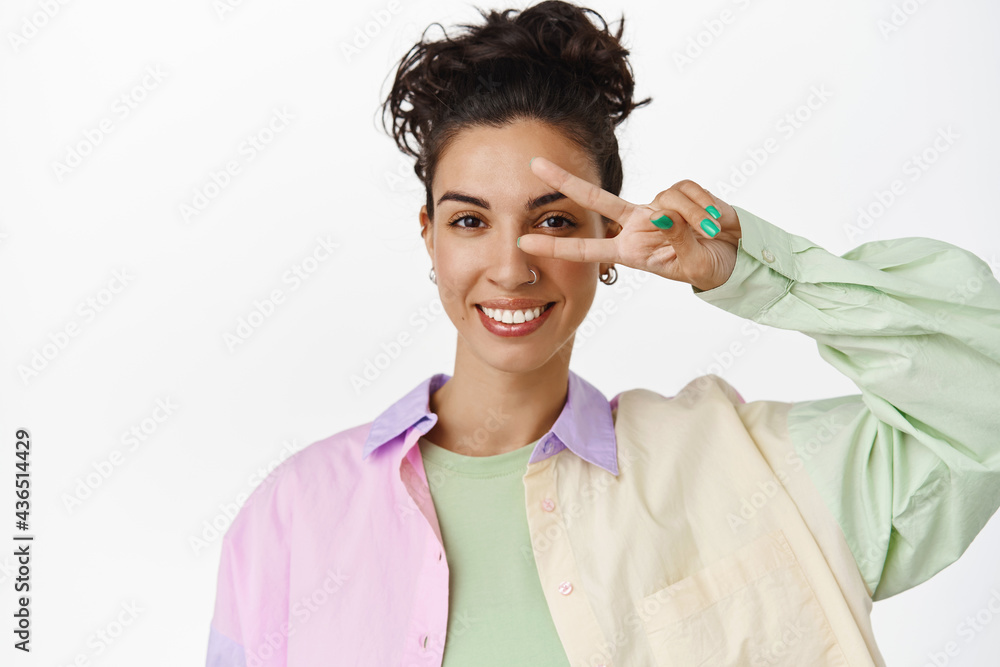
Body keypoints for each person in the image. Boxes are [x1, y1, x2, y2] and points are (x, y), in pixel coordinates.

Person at [205, 1, 1000, 665]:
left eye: (554, 221)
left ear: (609, 240)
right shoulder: (294, 514)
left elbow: (982, 393)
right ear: (429, 236)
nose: (511, 267)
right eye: (471, 220)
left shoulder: (742, 464)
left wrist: (754, 269)